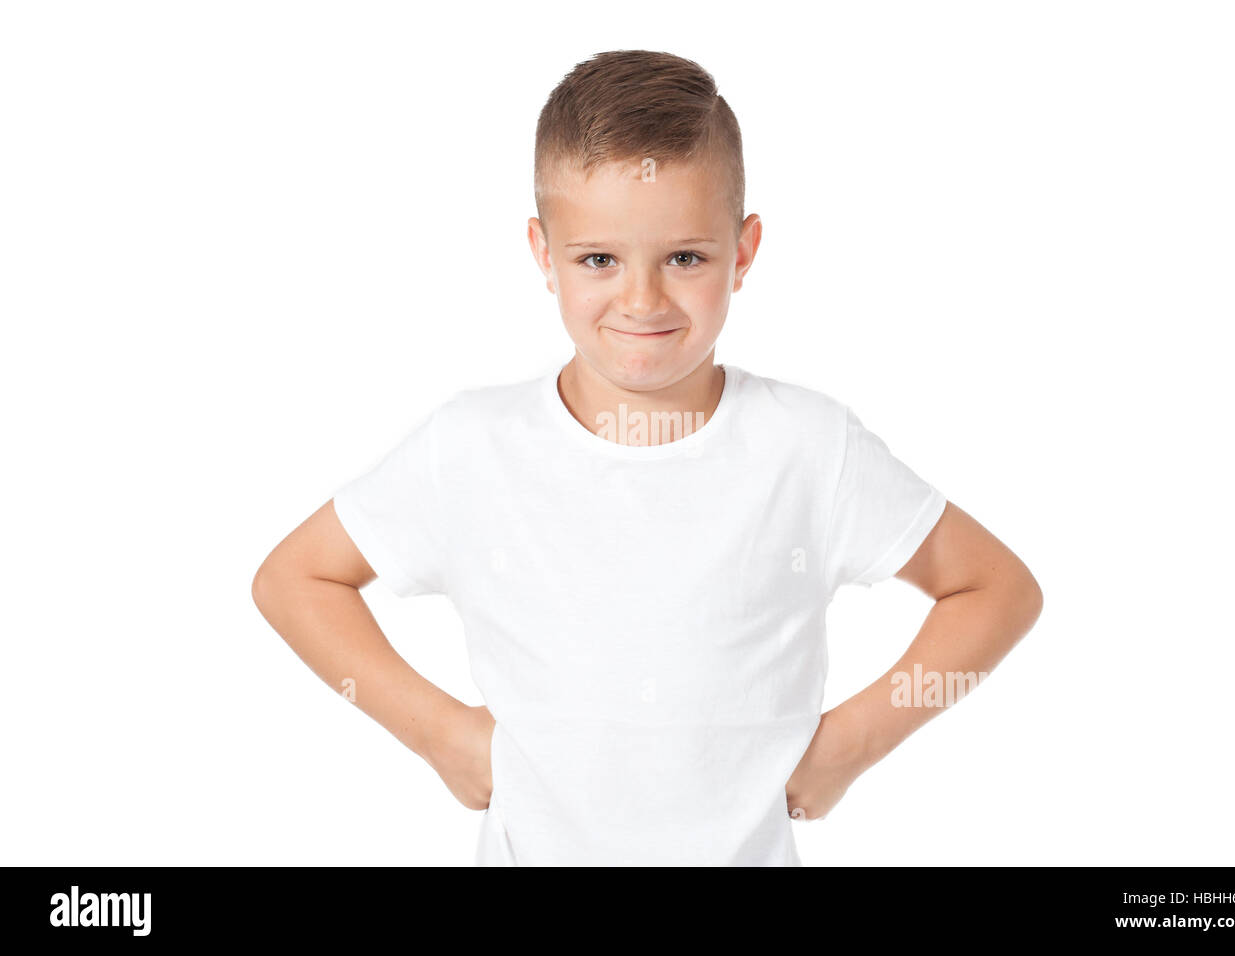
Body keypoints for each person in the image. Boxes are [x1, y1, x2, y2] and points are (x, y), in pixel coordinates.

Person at [251, 49, 1043, 866]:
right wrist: (440, 733)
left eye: (685, 258)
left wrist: (850, 745)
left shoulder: (807, 447)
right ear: (542, 253)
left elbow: (995, 588)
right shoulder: (473, 446)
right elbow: (296, 579)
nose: (641, 300)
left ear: (742, 253)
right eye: (599, 259)